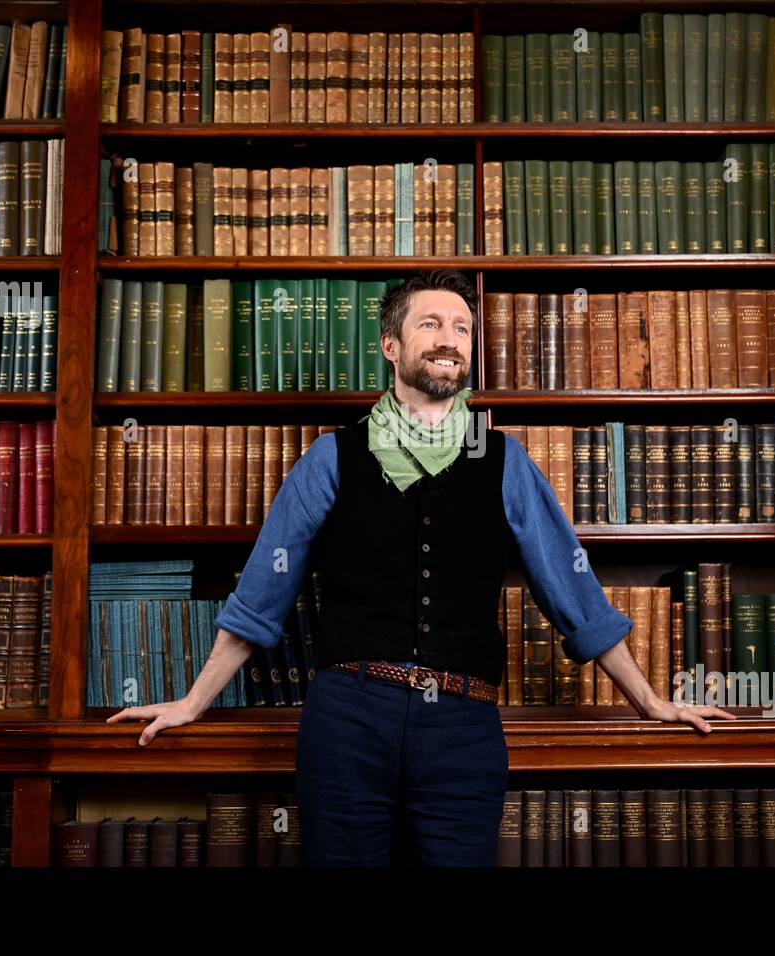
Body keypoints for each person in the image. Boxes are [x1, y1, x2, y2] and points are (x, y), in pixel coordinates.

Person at [108, 268, 736, 865]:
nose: (449, 340)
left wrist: (650, 700)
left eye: (462, 328)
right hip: (348, 719)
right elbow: (261, 594)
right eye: (431, 324)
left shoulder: (505, 462)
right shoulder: (332, 458)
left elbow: (571, 588)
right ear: (391, 344)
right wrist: (192, 702)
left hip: (464, 726)